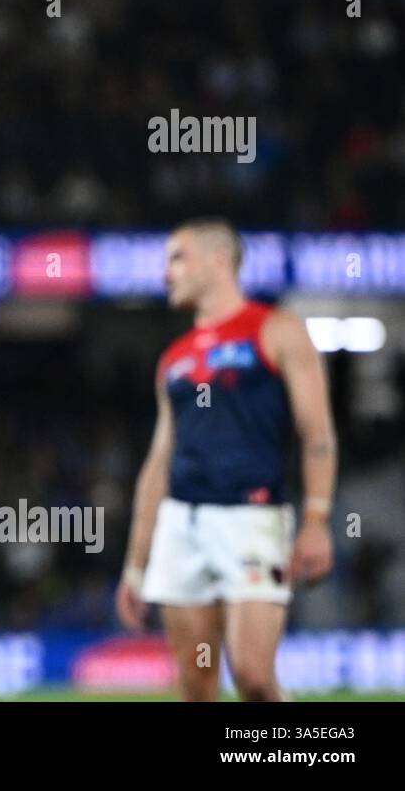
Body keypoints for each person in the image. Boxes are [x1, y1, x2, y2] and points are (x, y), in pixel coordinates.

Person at [117, 218, 336, 700]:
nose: (166, 273)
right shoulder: (174, 358)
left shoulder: (277, 330)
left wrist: (317, 519)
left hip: (252, 519)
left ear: (219, 260)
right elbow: (159, 460)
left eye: (178, 258)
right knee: (196, 683)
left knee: (255, 677)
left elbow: (316, 433)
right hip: (181, 524)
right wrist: (136, 563)